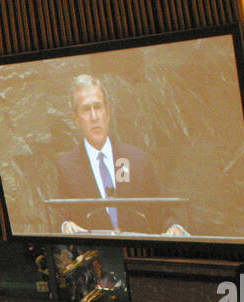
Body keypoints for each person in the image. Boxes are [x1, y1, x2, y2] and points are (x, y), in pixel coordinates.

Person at [53, 75, 186, 236]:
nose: (94, 116)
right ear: (76, 118)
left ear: (107, 112)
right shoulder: (66, 167)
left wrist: (174, 228)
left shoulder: (137, 160)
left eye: (98, 107)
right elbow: (61, 217)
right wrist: (66, 225)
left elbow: (161, 213)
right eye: (86, 109)